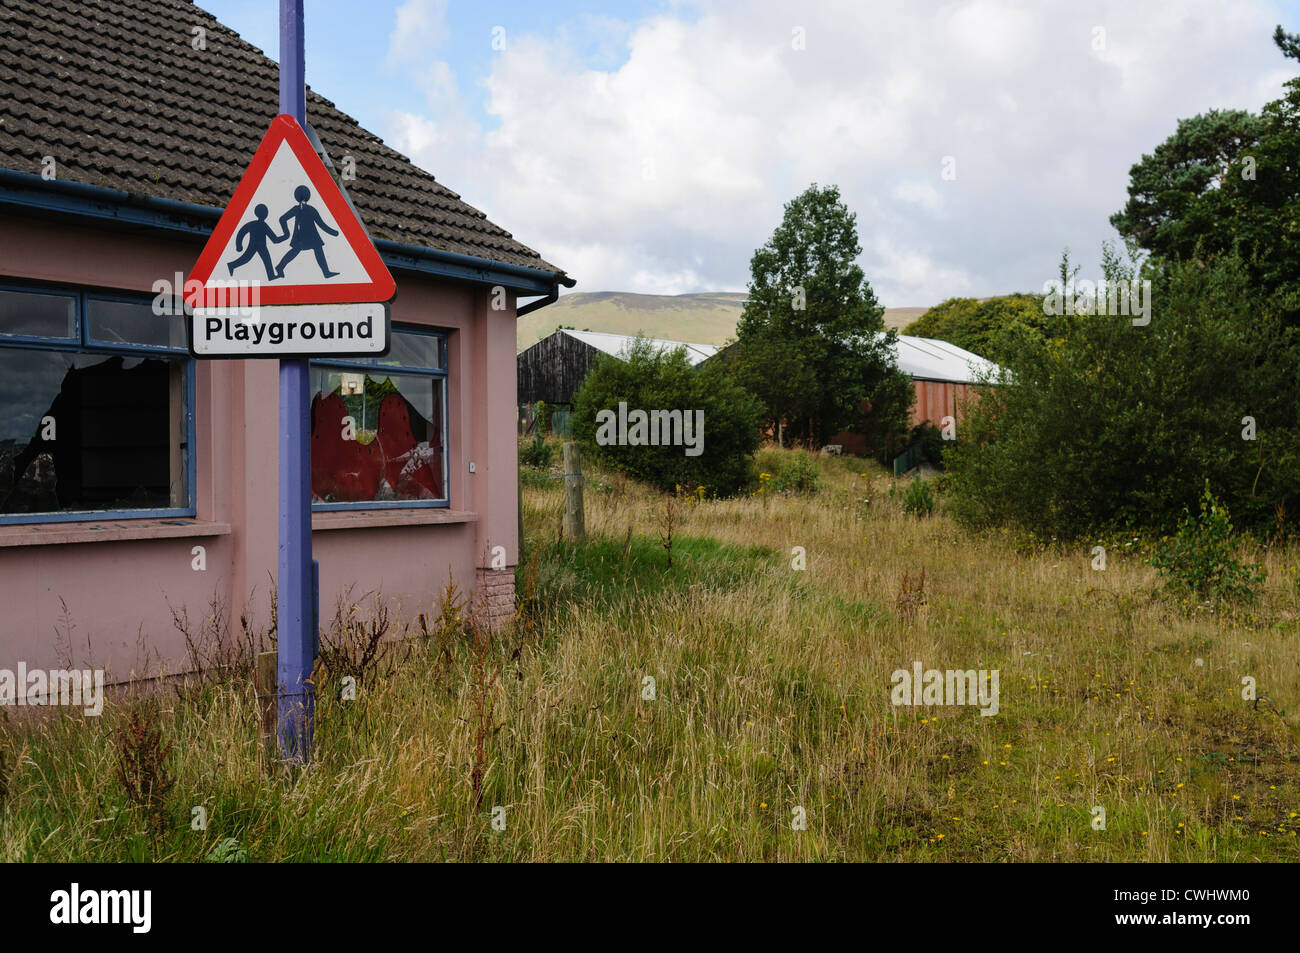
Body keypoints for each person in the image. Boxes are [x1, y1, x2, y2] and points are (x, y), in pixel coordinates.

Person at [275, 185, 340, 279]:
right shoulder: (310, 209)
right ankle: (326, 272)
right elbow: (321, 224)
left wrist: (286, 233)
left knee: (301, 250)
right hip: (310, 236)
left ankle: (280, 267)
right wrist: (334, 232)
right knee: (314, 249)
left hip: (302, 236)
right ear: (308, 196)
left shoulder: (297, 208)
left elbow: (282, 219)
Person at [226, 203, 285, 281]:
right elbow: (274, 239)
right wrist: (238, 245)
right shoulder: (262, 225)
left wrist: (239, 245)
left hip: (259, 246)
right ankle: (231, 265)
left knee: (255, 259)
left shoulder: (254, 224)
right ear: (265, 214)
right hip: (257, 246)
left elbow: (241, 232)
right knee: (248, 259)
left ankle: (232, 265)